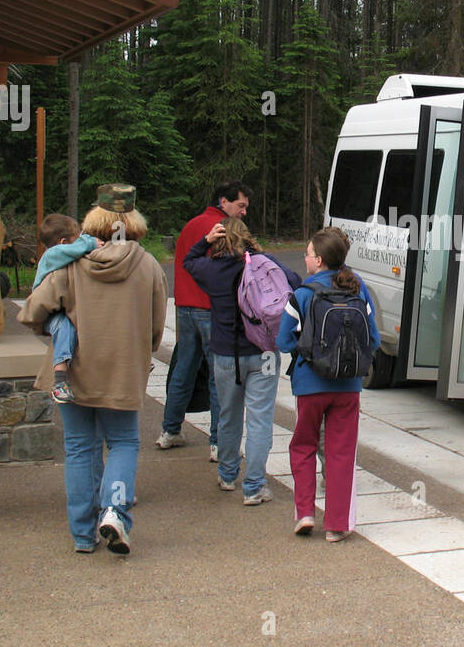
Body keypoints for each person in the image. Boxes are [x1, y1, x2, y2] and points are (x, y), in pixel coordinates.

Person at [19, 184, 166, 554]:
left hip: (74, 373)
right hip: (123, 372)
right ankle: (115, 511)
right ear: (133, 220)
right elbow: (155, 330)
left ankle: (82, 535)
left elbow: (32, 310)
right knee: (123, 443)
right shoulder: (148, 266)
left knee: (80, 448)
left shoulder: (70, 264)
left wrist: (55, 325)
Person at [182, 217, 299, 506]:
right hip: (264, 353)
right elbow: (294, 282)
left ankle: (227, 474)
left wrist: (204, 241)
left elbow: (189, 260)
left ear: (218, 239)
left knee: (228, 415)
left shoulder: (211, 269)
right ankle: (255, 486)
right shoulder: (263, 262)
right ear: (247, 237)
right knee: (260, 419)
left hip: (224, 354)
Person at [277, 228, 380, 542]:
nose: (305, 257)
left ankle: (305, 513)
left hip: (309, 385)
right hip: (348, 387)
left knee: (304, 446)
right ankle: (337, 525)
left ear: (318, 261)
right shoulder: (358, 289)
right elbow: (373, 338)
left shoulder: (302, 294)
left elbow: (282, 342)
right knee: (340, 453)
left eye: (308, 253)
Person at [158, 181, 253, 458]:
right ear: (223, 202)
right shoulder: (222, 229)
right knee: (218, 377)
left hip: (185, 306)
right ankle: (217, 442)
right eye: (241, 205)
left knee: (183, 370)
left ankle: (170, 430)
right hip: (210, 309)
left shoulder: (192, 225)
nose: (244, 212)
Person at [33, 213, 99, 403]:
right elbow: (75, 249)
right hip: (49, 313)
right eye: (77, 239)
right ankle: (60, 381)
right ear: (63, 242)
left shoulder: (62, 255)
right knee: (65, 326)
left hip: (62, 307)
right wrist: (90, 242)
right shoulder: (51, 255)